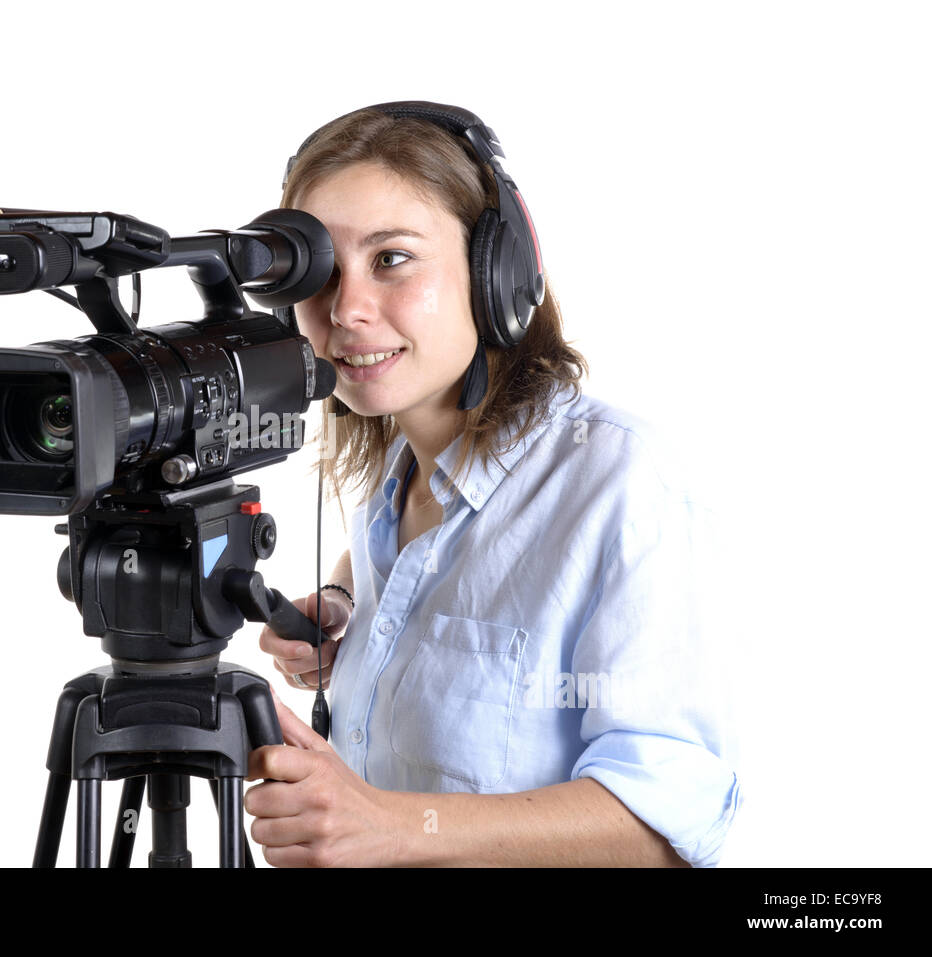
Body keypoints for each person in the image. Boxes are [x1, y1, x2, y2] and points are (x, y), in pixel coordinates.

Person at [247, 102, 741, 867]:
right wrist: (345, 604)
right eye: (320, 269)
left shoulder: (621, 482)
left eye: (393, 258)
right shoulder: (400, 470)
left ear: (495, 273)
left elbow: (667, 822)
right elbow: (453, 559)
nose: (345, 310)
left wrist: (391, 825)